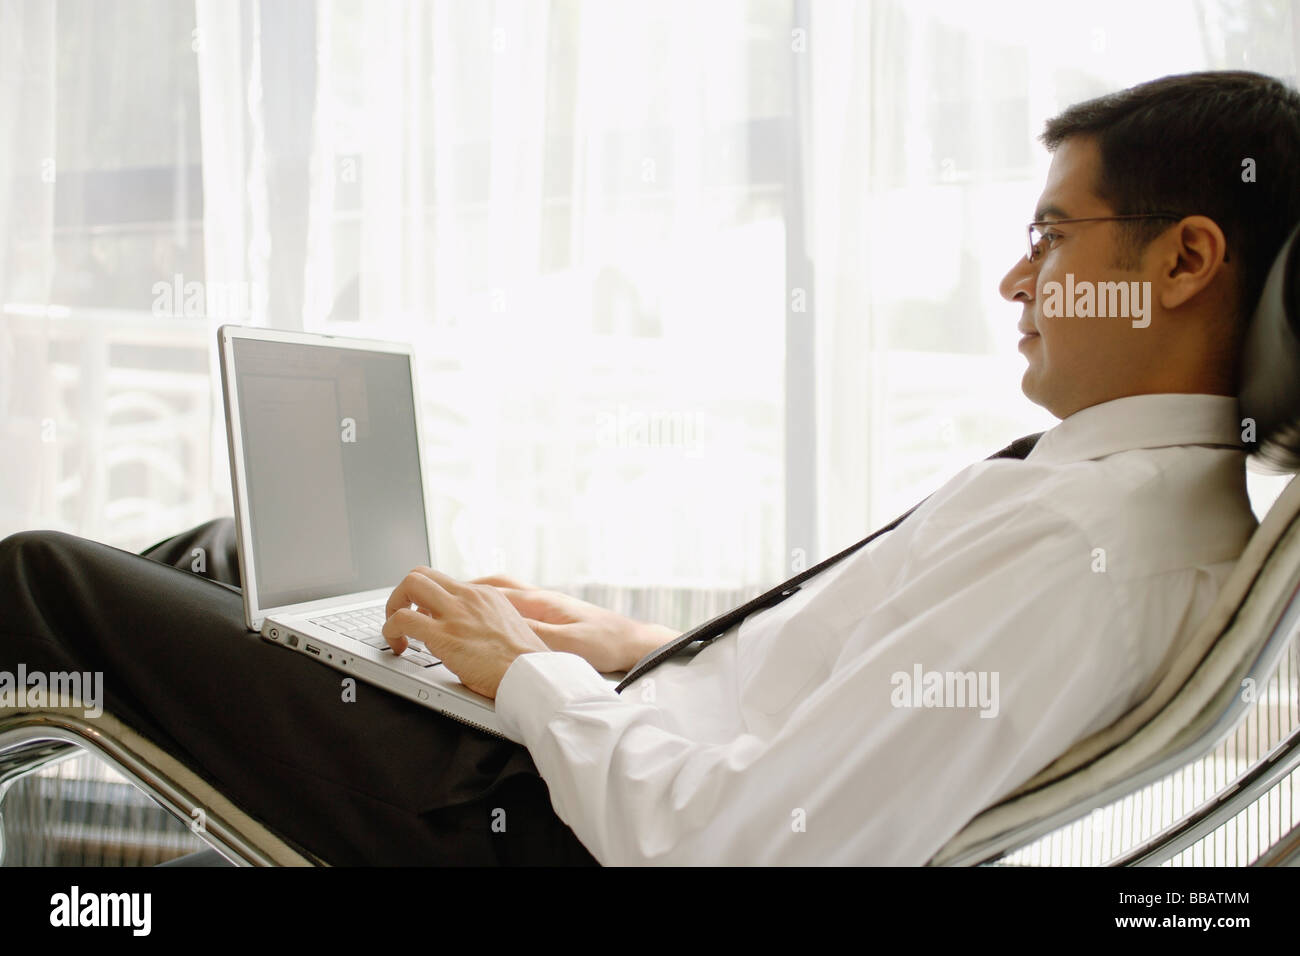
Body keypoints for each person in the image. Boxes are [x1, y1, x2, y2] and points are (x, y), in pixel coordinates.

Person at [3, 70, 1299, 866]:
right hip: (597, 763)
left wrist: (529, 678)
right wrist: (635, 650)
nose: (1017, 280)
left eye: (1051, 237)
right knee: (249, 560)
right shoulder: (1104, 503)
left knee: (49, 584)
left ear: (1185, 264)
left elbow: (740, 850)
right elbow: (843, 714)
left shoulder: (1100, 555)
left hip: (537, 833)